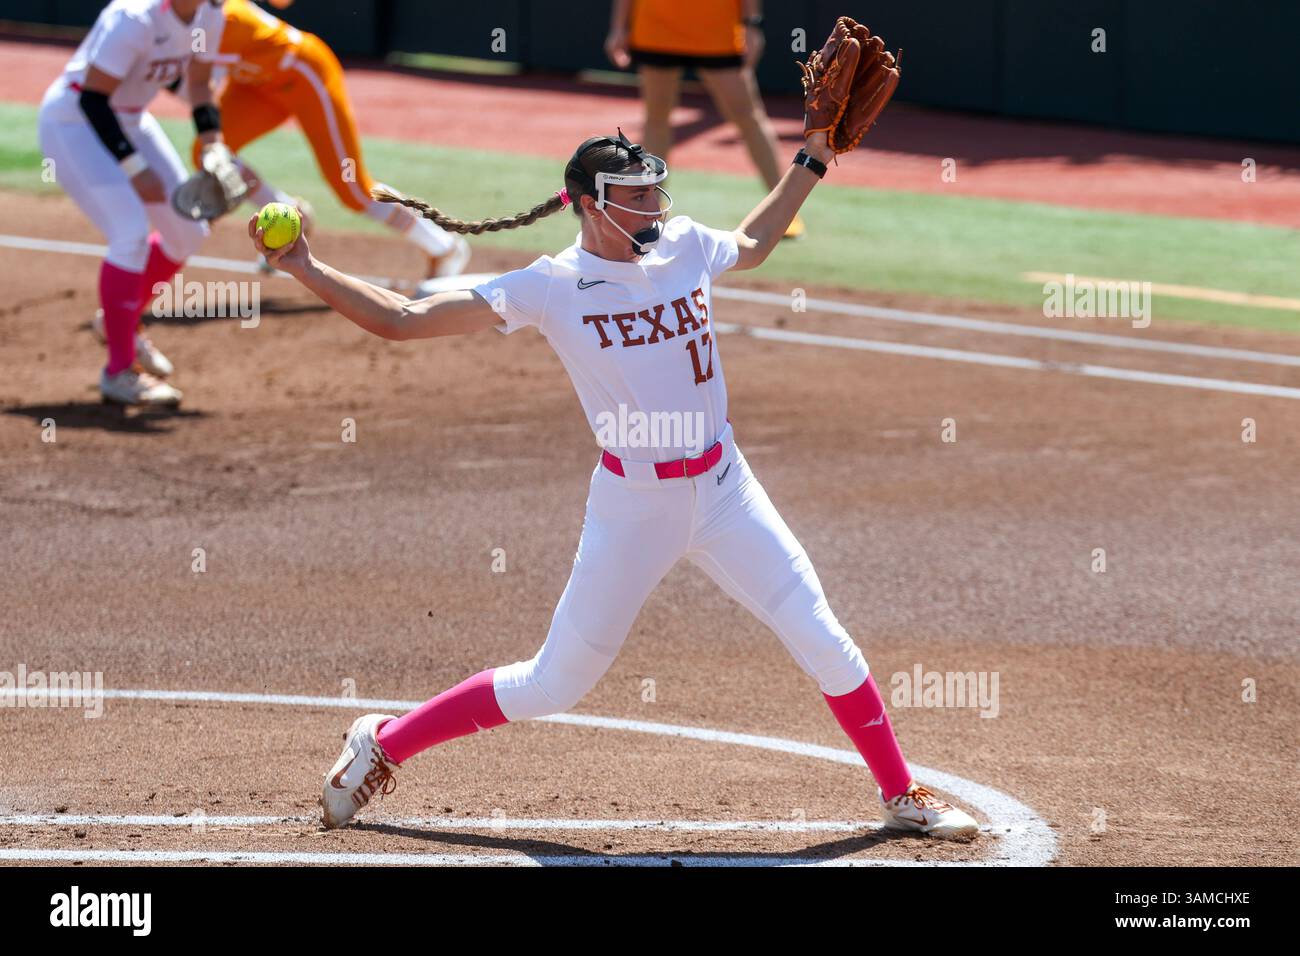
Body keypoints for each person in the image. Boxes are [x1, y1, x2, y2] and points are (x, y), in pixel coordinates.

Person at [250, 125, 978, 842]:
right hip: (634, 508)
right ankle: (383, 742)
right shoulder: (552, 286)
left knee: (827, 643)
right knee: (553, 684)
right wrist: (304, 266)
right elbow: (404, 320)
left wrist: (814, 155)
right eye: (637, 194)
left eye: (655, 189)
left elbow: (754, 245)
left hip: (727, 489)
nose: (655, 204)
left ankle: (899, 792)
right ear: (592, 205)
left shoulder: (687, 244)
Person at [38, 0, 232, 406]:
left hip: (130, 118)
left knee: (188, 232)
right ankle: (120, 372)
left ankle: (116, 323)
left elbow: (198, 85)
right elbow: (93, 98)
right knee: (129, 233)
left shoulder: (211, 14)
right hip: (72, 123)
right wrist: (134, 166)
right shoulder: (135, 17)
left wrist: (214, 147)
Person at [198, 0, 469, 280]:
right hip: (256, 85)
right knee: (208, 152)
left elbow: (198, 86)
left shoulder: (219, 20)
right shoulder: (170, 18)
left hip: (304, 74)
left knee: (352, 188)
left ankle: (444, 247)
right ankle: (291, 213)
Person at [604, 0, 806, 240]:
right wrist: (618, 26)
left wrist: (752, 24)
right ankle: (649, 213)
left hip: (717, 33)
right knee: (656, 119)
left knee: (748, 116)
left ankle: (784, 211)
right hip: (656, 28)